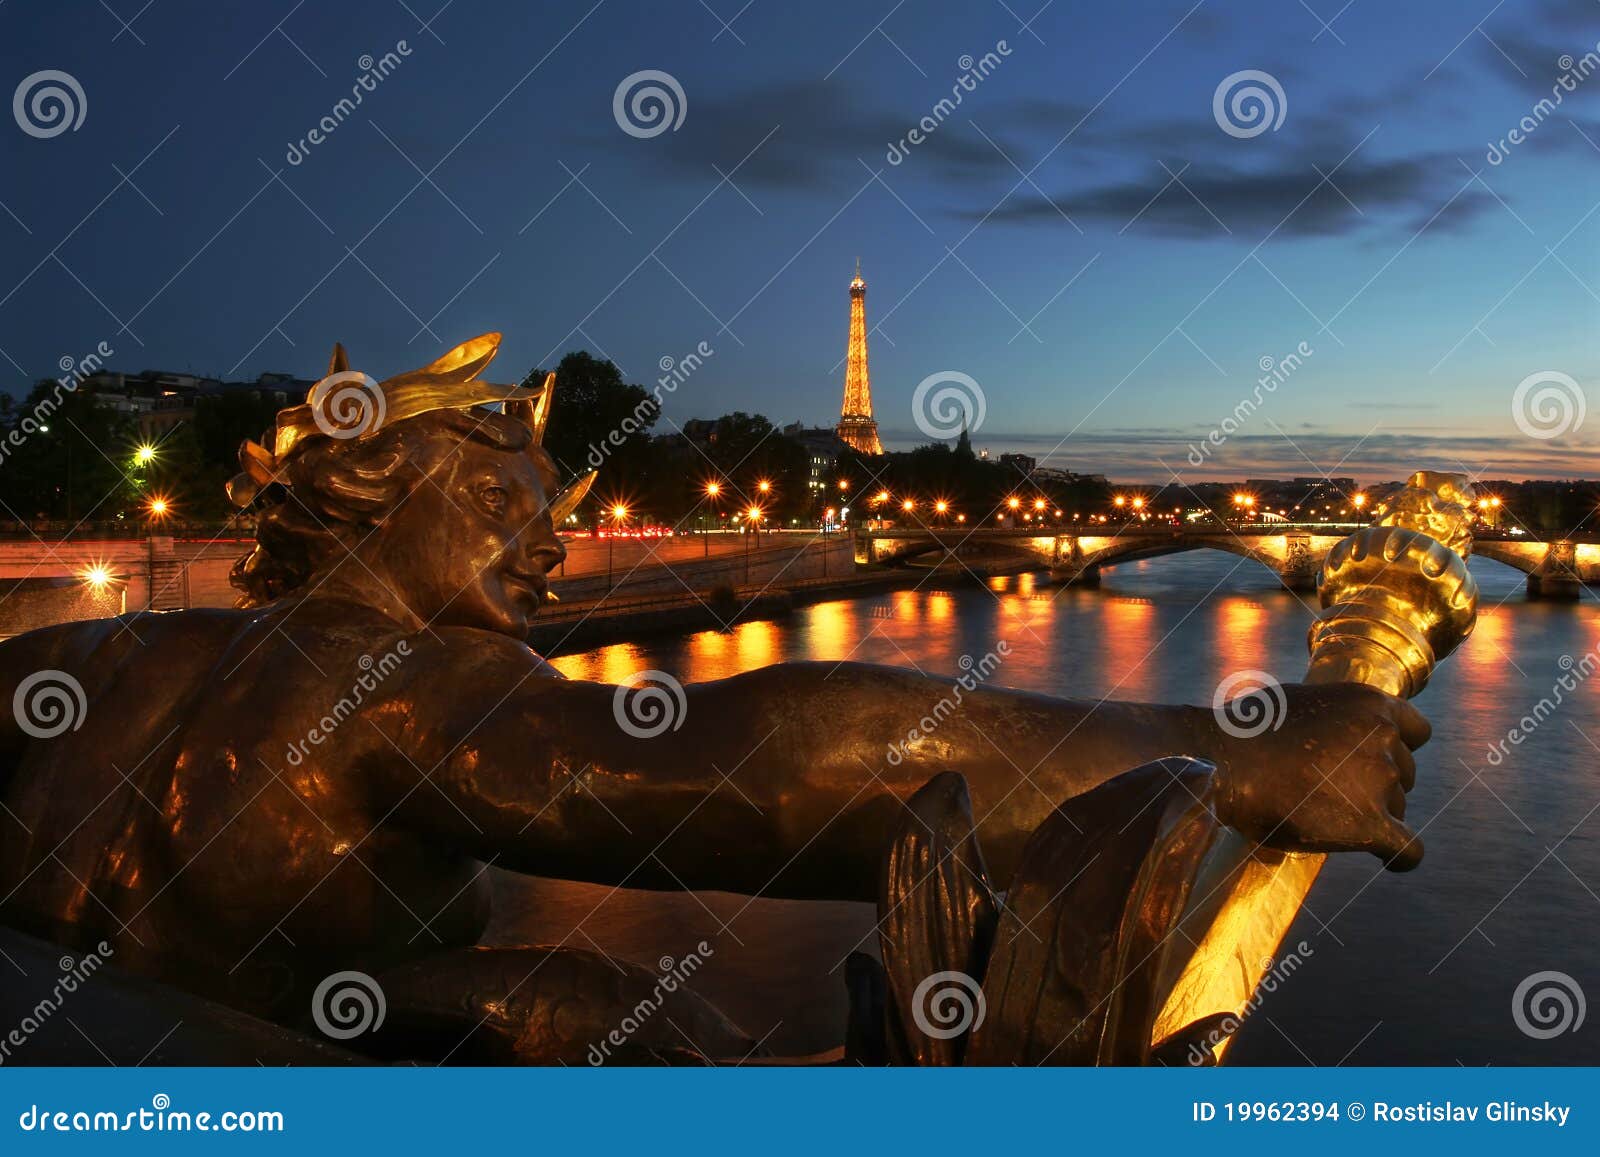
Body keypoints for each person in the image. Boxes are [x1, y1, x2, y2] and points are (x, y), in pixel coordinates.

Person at [0, 335, 1426, 1062]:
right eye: (500, 500)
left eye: (550, 508)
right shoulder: (401, 682)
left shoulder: (84, 664)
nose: (547, 541)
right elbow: (773, 762)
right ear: (378, 490)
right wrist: (1230, 746)